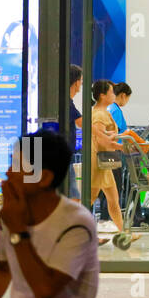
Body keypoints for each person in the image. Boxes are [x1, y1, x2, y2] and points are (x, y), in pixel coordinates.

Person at [0, 131, 100, 298]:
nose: (9, 173)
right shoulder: (13, 213)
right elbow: (2, 268)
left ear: (44, 178)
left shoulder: (77, 224)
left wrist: (18, 231)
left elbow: (46, 290)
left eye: (17, 166)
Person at [88, 80, 133, 245]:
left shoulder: (102, 112)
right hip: (98, 162)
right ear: (102, 95)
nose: (114, 95)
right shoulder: (99, 114)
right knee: (90, 199)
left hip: (103, 163)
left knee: (113, 198)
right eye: (111, 92)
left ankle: (123, 233)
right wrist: (120, 146)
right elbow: (102, 140)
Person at [65, 64, 84, 201]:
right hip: (62, 156)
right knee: (74, 197)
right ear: (77, 82)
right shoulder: (66, 102)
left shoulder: (65, 100)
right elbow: (82, 122)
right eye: (81, 80)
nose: (81, 84)